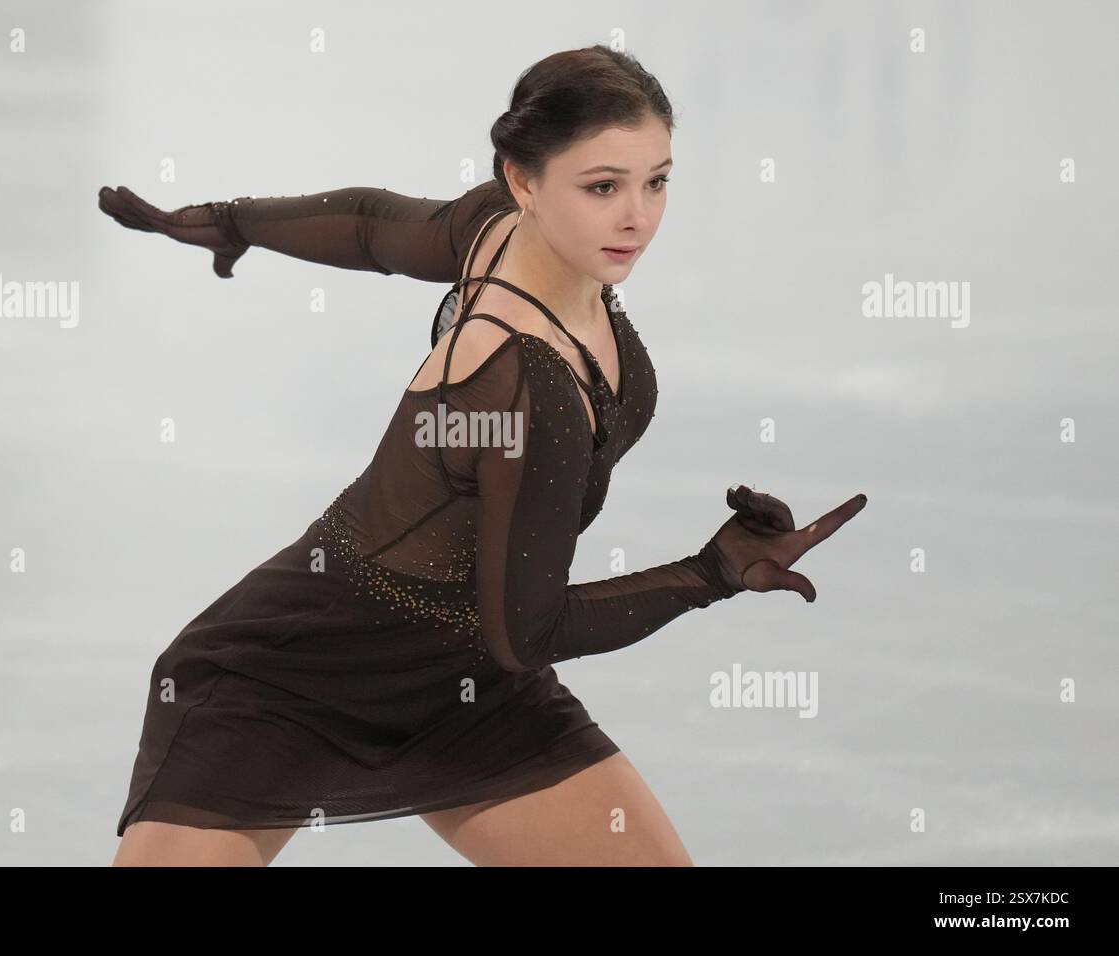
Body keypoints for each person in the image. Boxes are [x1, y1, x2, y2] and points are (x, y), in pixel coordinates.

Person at [99, 44, 867, 867]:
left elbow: (367, 226)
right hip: (288, 678)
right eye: (603, 186)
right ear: (524, 180)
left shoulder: (499, 236)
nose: (638, 217)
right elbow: (527, 634)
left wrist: (232, 220)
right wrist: (708, 575)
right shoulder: (518, 377)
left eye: (657, 181)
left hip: (469, 683)